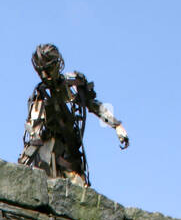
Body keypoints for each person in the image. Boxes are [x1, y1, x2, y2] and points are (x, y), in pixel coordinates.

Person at [18, 43, 129, 187]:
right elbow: (34, 135)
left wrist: (116, 125)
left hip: (72, 154)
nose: (45, 76)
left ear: (57, 64)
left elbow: (93, 104)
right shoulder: (41, 95)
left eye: (48, 69)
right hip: (49, 156)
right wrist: (21, 166)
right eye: (41, 72)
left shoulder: (75, 84)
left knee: (80, 190)